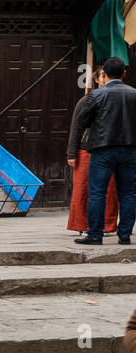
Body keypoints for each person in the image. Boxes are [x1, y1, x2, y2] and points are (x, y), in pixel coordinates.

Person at [72, 57, 136, 246]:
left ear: (103, 74)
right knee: (128, 193)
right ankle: (124, 235)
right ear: (124, 74)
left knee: (97, 193)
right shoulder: (134, 94)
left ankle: (95, 234)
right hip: (129, 149)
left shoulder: (96, 95)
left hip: (102, 149)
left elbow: (82, 122)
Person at [66, 73, 120, 235]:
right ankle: (82, 224)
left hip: (111, 148)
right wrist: (71, 152)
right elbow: (76, 127)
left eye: (107, 74)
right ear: (97, 79)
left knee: (110, 189)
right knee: (83, 188)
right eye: (102, 75)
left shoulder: (117, 99)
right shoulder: (87, 100)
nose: (105, 78)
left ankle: (108, 225)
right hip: (86, 148)